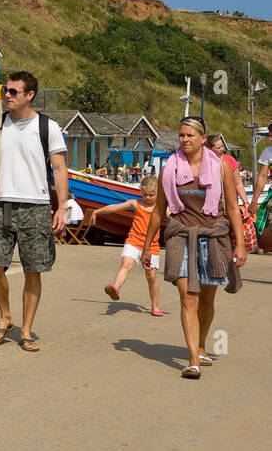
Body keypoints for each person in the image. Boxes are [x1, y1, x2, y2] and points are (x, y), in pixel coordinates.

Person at [141, 116, 245, 379]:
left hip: (213, 236)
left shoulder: (220, 167)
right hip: (180, 234)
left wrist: (240, 245)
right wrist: (147, 246)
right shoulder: (170, 169)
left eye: (190, 135)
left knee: (207, 298)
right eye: (181, 135)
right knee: (189, 296)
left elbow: (232, 208)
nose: (185, 140)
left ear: (202, 138)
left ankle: (200, 345)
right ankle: (192, 359)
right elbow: (158, 211)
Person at [0, 70, 69, 352]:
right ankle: (6, 317)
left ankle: (26, 330)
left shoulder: (47, 127)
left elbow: (59, 168)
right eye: (6, 90)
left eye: (14, 92)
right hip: (0, 203)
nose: (7, 96)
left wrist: (62, 206)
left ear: (29, 95)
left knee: (32, 270)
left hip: (36, 205)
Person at [90, 176, 162, 316]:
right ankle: (115, 288)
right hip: (134, 240)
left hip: (152, 245)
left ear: (158, 193)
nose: (147, 198)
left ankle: (155, 306)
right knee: (126, 263)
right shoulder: (135, 203)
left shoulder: (160, 208)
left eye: (151, 195)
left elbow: (175, 217)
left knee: (151, 276)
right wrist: (96, 211)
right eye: (145, 194)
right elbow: (114, 207)